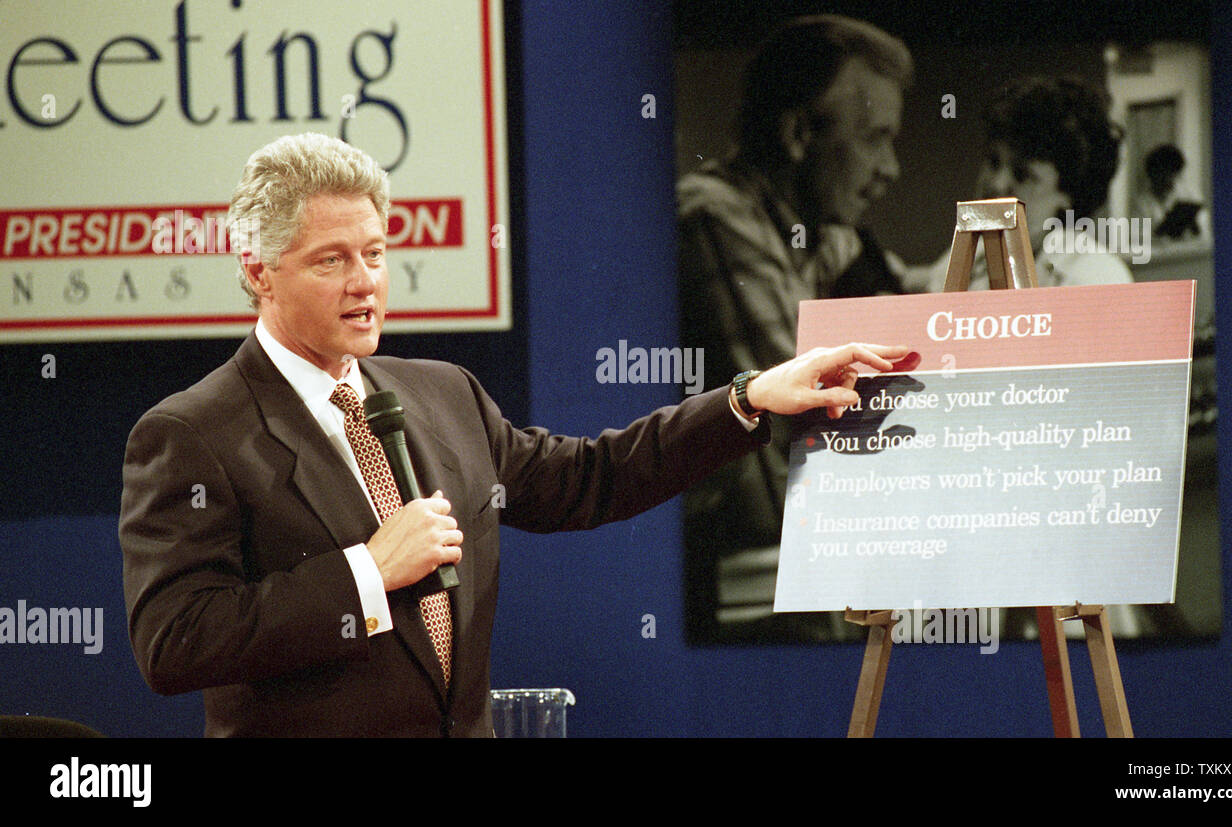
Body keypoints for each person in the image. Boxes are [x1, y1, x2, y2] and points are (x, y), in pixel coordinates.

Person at [119, 133, 911, 736]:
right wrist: (366, 572)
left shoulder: (442, 394)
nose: (365, 282)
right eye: (331, 261)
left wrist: (750, 398)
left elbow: (594, 476)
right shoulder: (194, 433)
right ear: (258, 271)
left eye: (376, 253)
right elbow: (174, 641)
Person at [676, 15, 913, 642]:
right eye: (875, 139)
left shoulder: (812, 228)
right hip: (731, 605)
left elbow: (911, 291)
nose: (890, 169)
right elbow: (805, 436)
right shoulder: (715, 217)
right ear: (798, 133)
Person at [900, 75, 1133, 293]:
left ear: (1068, 195)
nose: (997, 183)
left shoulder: (1093, 280)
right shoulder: (977, 253)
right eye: (993, 162)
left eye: (1023, 175)